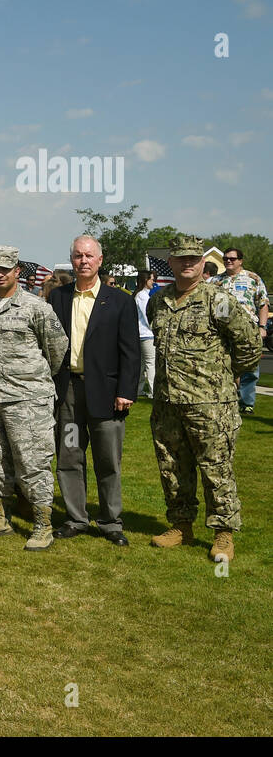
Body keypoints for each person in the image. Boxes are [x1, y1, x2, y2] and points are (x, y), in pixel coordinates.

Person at [147, 234, 261, 563]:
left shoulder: (218, 299)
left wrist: (225, 377)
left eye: (193, 259)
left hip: (211, 406)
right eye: (181, 258)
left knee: (217, 470)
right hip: (167, 404)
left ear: (202, 263)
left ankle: (223, 534)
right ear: (170, 262)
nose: (187, 263)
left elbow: (249, 344)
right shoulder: (160, 300)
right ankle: (181, 526)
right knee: (172, 468)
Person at [0, 246, 68, 549]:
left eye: (4, 269)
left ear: (17, 272)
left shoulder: (36, 307)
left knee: (32, 461)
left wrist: (29, 379)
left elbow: (57, 349)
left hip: (27, 399)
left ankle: (43, 524)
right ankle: (0, 518)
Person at [49, 236, 140, 546]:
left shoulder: (121, 301)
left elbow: (131, 351)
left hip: (107, 395)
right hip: (70, 395)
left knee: (107, 460)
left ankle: (111, 522)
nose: (83, 261)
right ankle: (76, 518)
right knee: (70, 456)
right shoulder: (58, 297)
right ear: (71, 260)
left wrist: (126, 390)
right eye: (77, 256)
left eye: (89, 255)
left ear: (100, 260)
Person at [213, 246, 268, 415]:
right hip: (222, 332)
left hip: (248, 330)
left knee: (249, 369)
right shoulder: (215, 281)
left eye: (232, 259)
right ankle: (225, 399)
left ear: (240, 261)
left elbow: (263, 303)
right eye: (225, 258)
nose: (228, 261)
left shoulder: (253, 279)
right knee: (222, 366)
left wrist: (262, 327)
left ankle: (246, 403)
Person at [134, 270, 155, 397]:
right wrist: (154, 329)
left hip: (141, 334)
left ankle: (138, 390)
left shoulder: (141, 295)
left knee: (142, 364)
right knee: (150, 363)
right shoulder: (142, 296)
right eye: (151, 279)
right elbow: (147, 315)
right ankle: (154, 391)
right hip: (146, 334)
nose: (153, 281)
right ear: (145, 280)